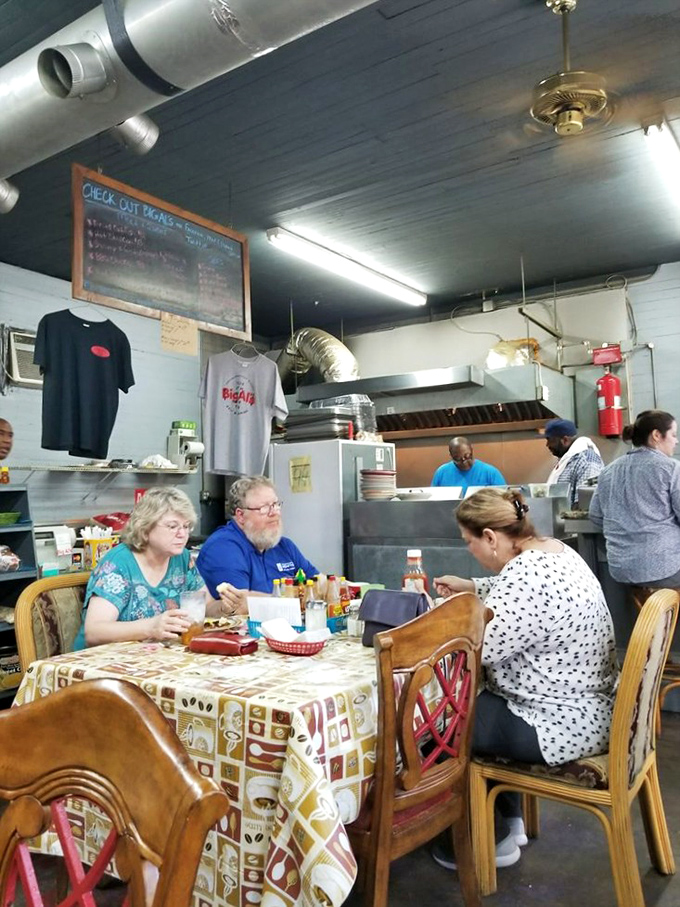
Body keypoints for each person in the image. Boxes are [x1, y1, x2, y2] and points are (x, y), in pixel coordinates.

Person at [431, 488, 618, 871]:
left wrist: (429, 628)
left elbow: (476, 649)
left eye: (470, 542)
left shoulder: (525, 576)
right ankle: (508, 818)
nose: (470, 550)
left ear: (490, 537)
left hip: (559, 720)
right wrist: (472, 587)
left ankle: (486, 839)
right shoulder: (555, 551)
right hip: (589, 703)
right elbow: (519, 600)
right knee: (482, 704)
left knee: (443, 719)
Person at [74, 487, 228, 649]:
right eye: (172, 526)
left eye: (186, 526)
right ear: (145, 529)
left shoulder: (181, 557)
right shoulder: (119, 564)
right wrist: (150, 627)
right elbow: (94, 632)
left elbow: (207, 607)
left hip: (155, 658)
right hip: (104, 661)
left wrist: (225, 607)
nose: (182, 534)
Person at [196, 475, 319, 614]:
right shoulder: (223, 548)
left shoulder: (284, 546)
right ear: (241, 515)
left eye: (276, 505)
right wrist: (295, 601)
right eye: (264, 508)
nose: (274, 513)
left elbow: (318, 587)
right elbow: (240, 607)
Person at [589, 409, 680, 586]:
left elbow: (595, 516)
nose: (676, 441)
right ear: (656, 435)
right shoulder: (671, 469)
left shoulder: (608, 471)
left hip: (619, 569)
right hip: (664, 568)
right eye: (673, 434)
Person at [544, 417, 604, 507]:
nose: (547, 445)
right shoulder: (567, 461)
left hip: (577, 521)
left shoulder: (587, 461)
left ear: (565, 440)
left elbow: (586, 504)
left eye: (550, 440)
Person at [431, 436, 505, 490]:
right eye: (458, 459)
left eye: (467, 456)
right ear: (451, 456)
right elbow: (433, 501)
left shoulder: (490, 472)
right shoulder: (441, 472)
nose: (464, 462)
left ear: (472, 450)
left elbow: (504, 499)